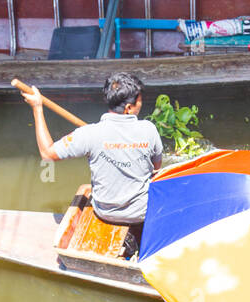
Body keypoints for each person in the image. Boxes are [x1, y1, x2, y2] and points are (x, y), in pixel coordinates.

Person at [22, 72, 163, 259]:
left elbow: (47, 154)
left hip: (105, 211)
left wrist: (37, 108)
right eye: (139, 102)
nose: (141, 105)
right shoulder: (149, 129)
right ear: (129, 108)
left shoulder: (89, 134)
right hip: (141, 212)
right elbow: (156, 168)